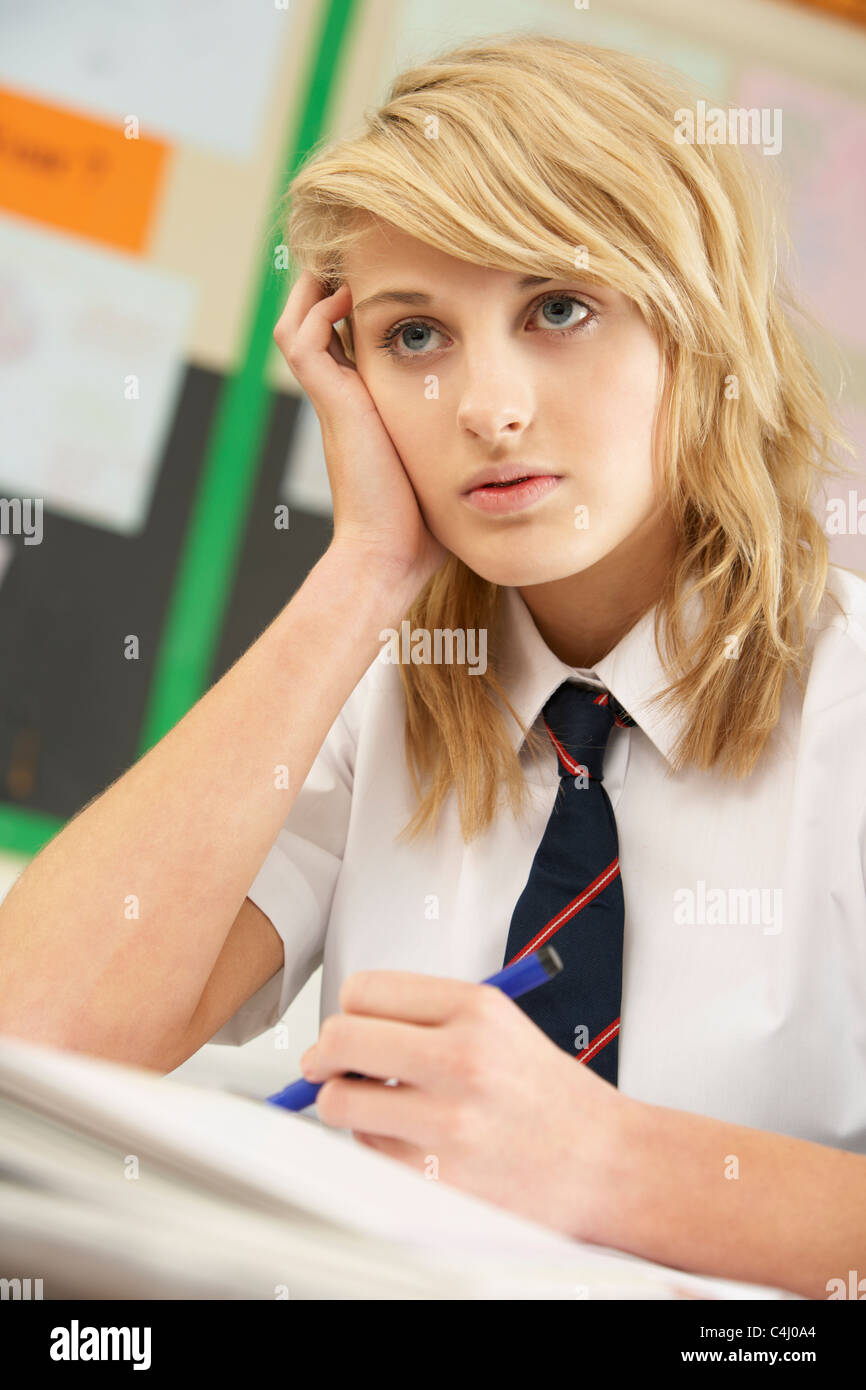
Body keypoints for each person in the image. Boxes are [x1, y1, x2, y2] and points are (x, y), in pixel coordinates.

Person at [1, 34, 864, 1299]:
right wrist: (363, 568)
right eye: (414, 337)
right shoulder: (383, 685)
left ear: (700, 326)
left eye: (556, 307)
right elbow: (31, 1040)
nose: (488, 406)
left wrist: (600, 1162)